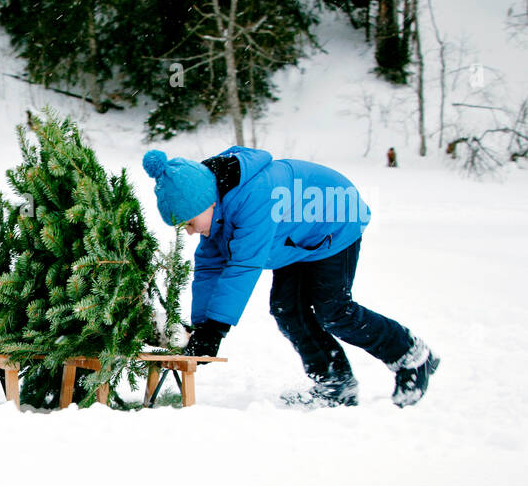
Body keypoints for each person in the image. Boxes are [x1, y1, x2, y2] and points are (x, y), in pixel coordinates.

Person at [142, 147, 439, 408]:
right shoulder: (215, 208)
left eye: (190, 223)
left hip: (332, 220)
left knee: (333, 310)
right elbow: (209, 269)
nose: (190, 232)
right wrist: (203, 327)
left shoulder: (253, 199)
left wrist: (216, 330)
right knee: (287, 309)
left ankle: (411, 355)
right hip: (292, 236)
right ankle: (335, 385)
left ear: (206, 204)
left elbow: (243, 266)